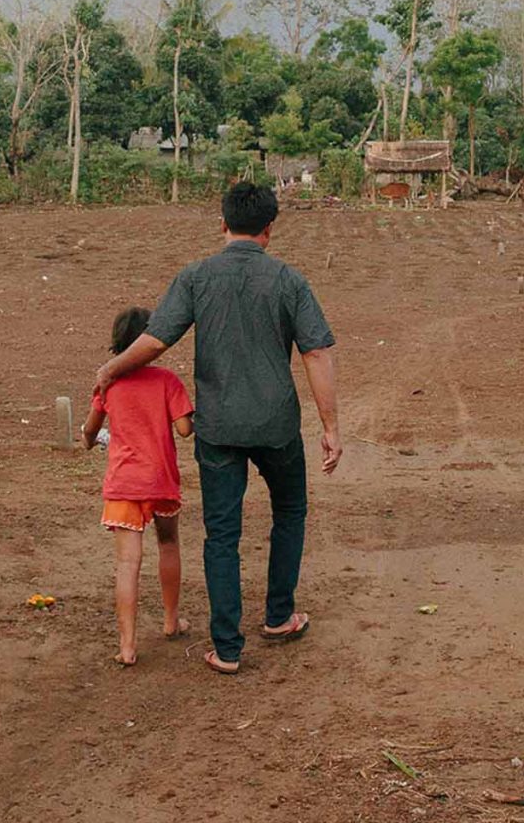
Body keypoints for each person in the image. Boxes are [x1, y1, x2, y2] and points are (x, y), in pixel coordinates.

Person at [95, 180, 341, 675]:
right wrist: (330, 425)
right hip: (277, 425)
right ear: (269, 229)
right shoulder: (289, 281)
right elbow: (315, 353)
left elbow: (156, 340)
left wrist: (111, 370)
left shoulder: (196, 277)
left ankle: (227, 648)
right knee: (289, 513)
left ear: (223, 224)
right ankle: (279, 616)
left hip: (219, 427)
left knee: (222, 535)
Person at [82, 305, 194, 666]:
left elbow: (90, 430)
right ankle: (170, 621)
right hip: (161, 480)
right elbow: (184, 430)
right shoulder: (167, 382)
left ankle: (128, 646)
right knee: (168, 544)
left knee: (127, 563)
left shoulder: (109, 384)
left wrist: (91, 440)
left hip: (124, 484)